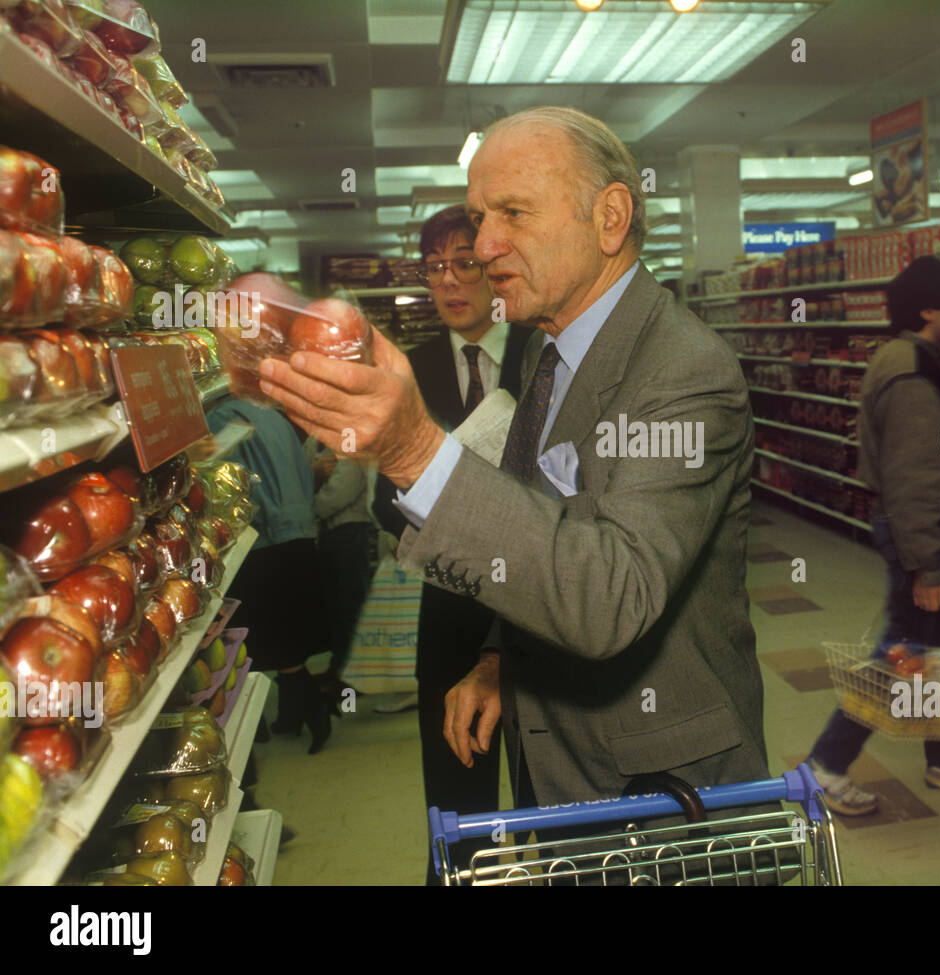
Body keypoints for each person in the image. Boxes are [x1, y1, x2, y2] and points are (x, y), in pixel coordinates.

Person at [256, 106, 769, 814]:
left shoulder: (685, 372)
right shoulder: (545, 355)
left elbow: (612, 593)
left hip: (661, 797)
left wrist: (413, 448)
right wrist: (500, 658)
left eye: (514, 214)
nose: (485, 243)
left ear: (609, 218)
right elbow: (542, 526)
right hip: (558, 768)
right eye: (477, 216)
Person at [806, 255, 940, 815]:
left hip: (916, 532)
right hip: (916, 537)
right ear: (927, 308)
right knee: (902, 655)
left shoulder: (912, 359)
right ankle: (825, 767)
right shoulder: (913, 373)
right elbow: (914, 476)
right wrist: (928, 566)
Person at [369, 204, 530, 882]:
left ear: (495, 265)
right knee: (457, 813)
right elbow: (384, 499)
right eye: (435, 268)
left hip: (538, 611)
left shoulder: (538, 353)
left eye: (465, 262)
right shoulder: (407, 369)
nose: (449, 281)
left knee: (550, 795)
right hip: (449, 611)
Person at [206, 398, 332, 754]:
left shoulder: (217, 420)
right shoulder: (274, 418)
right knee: (289, 637)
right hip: (299, 535)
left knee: (255, 642)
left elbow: (231, 489)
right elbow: (305, 473)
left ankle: (302, 714)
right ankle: (293, 716)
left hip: (261, 541)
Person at [304, 438, 376, 698]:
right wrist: (313, 470)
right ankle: (340, 668)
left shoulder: (351, 440)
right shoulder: (316, 440)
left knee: (351, 606)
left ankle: (354, 679)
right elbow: (301, 471)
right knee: (336, 607)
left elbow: (339, 492)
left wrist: (304, 506)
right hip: (328, 532)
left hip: (350, 532)